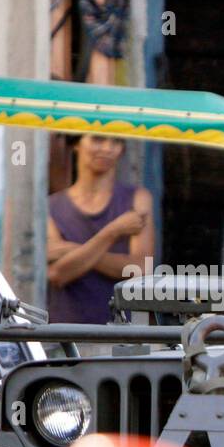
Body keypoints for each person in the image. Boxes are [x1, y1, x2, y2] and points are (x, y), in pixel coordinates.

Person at [46, 133, 153, 323]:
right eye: (97, 139)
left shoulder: (138, 198)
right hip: (65, 334)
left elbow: (140, 269)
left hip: (122, 333)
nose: (107, 148)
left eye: (116, 141)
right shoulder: (51, 207)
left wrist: (71, 250)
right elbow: (58, 274)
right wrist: (113, 231)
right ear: (77, 144)